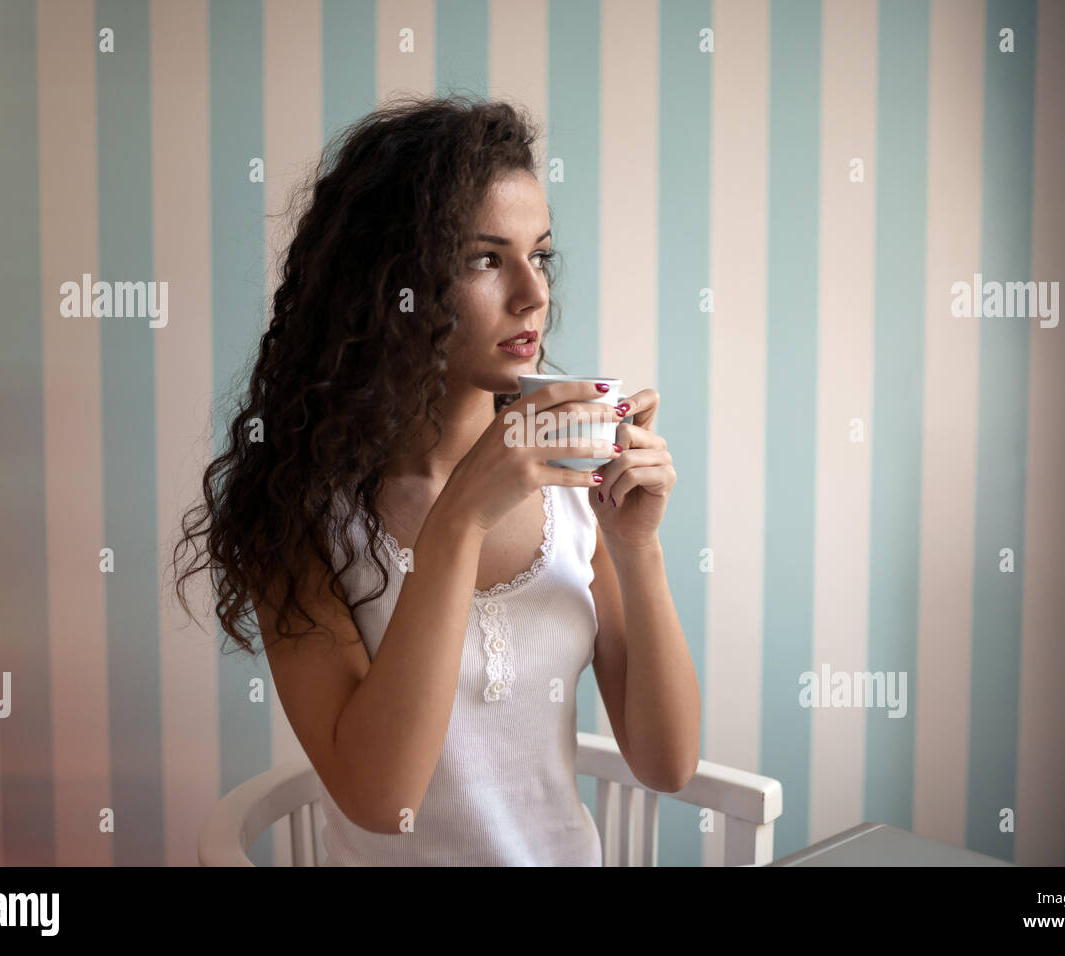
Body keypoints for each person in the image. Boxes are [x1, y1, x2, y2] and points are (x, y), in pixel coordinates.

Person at [172, 95, 699, 865]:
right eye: (485, 258)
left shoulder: (568, 480)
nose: (534, 292)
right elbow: (385, 800)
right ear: (391, 283)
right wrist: (459, 522)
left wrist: (636, 547)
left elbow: (667, 764)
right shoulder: (299, 514)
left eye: (540, 255)